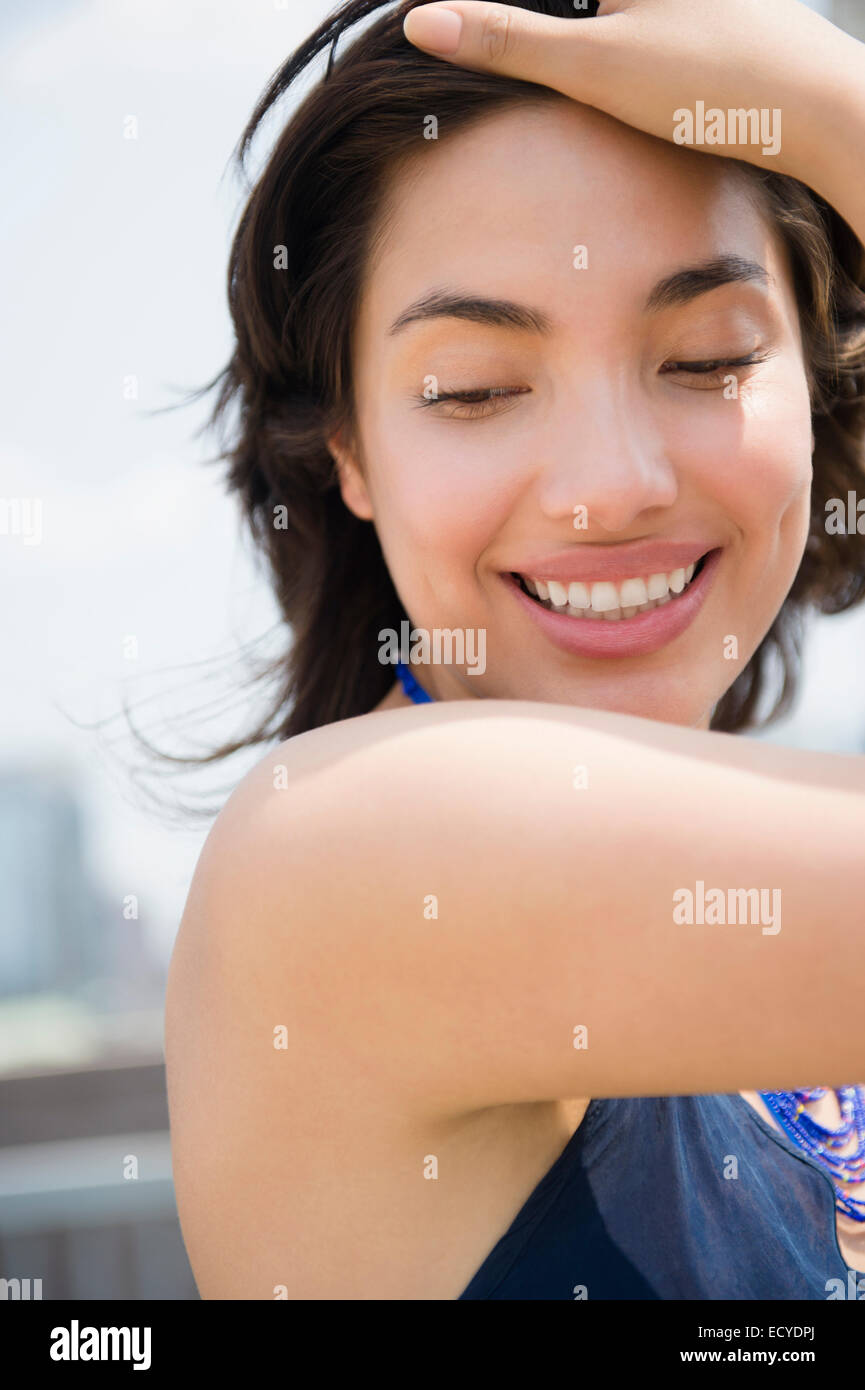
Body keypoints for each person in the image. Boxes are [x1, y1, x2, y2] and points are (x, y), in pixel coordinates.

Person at [164, 0, 865, 1299]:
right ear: (351, 455)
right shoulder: (346, 856)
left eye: (707, 358)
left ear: (816, 389)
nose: (612, 485)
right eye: (475, 387)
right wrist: (834, 106)